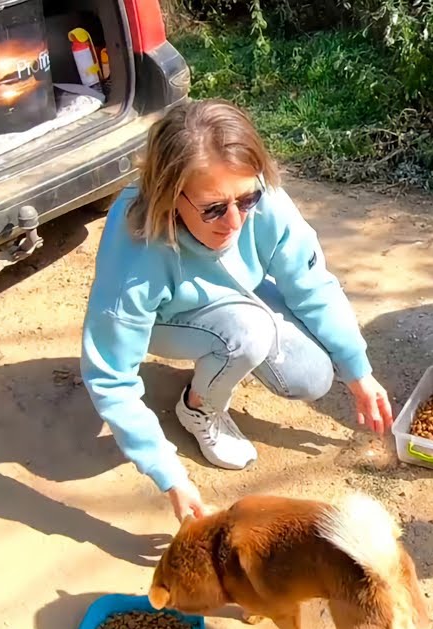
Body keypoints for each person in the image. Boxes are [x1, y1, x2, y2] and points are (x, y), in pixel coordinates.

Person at [80, 98, 394, 523]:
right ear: (169, 195)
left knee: (311, 376)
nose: (235, 222)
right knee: (247, 332)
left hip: (237, 294)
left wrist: (359, 371)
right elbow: (111, 377)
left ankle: (226, 353)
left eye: (247, 200)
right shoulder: (136, 256)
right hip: (169, 318)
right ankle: (198, 407)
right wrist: (169, 475)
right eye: (213, 208)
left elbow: (312, 284)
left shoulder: (260, 198)